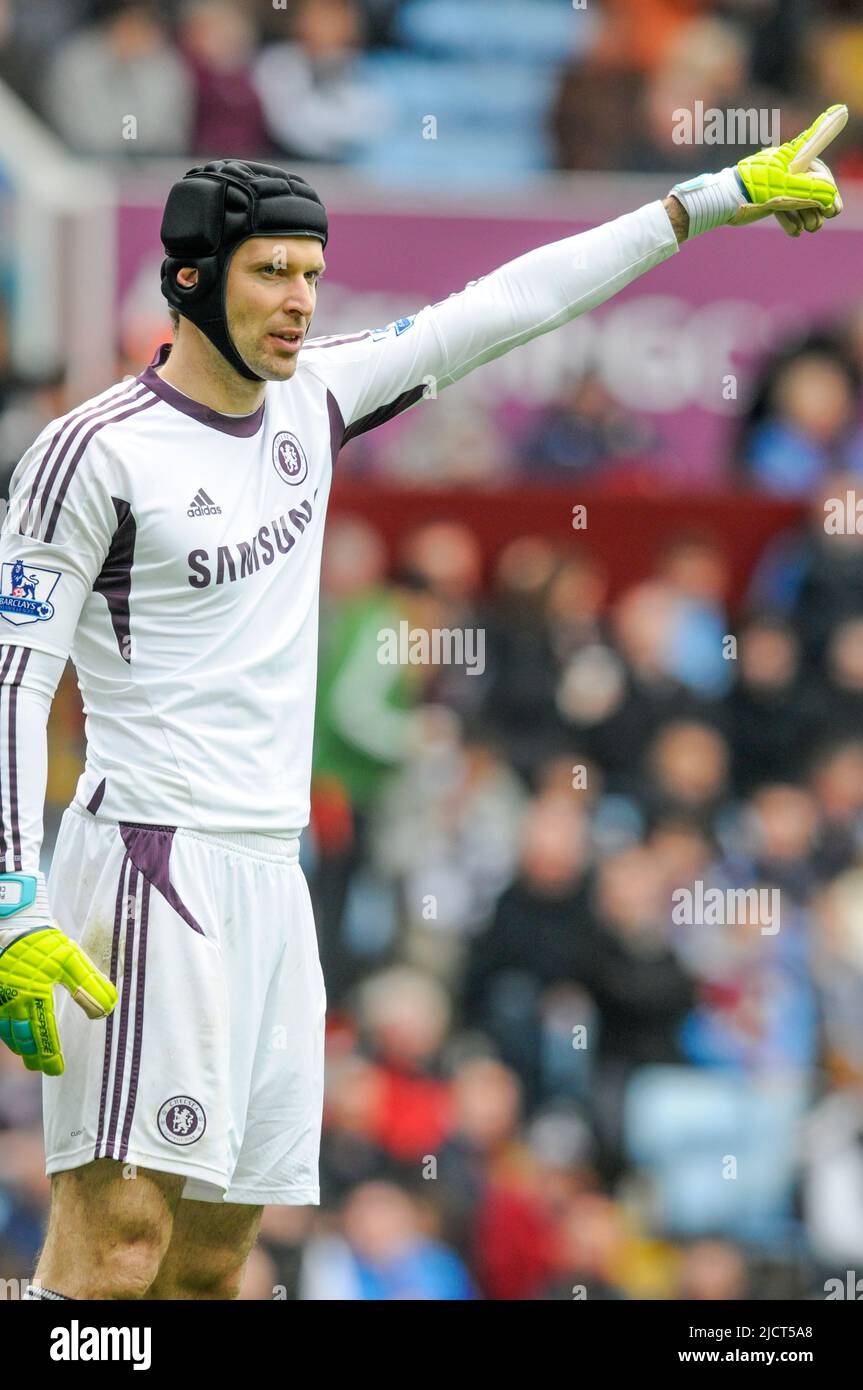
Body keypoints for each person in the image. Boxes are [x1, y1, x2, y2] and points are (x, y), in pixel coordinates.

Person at [0, 106, 847, 1300]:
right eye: (270, 273)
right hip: (147, 862)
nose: (301, 299)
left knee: (207, 1265)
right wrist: (9, 897)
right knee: (116, 1248)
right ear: (191, 280)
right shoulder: (91, 453)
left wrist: (710, 199)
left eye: (311, 273)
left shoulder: (315, 401)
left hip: (269, 876)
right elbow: (14, 676)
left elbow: (505, 305)